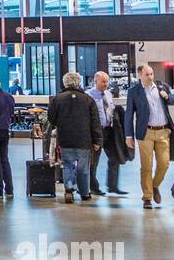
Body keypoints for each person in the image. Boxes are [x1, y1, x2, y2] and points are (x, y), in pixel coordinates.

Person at [125, 64, 174, 210]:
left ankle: (154, 185)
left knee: (164, 163)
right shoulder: (134, 91)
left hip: (163, 132)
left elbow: (173, 100)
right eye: (147, 74)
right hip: (145, 133)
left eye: (152, 74)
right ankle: (147, 197)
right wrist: (128, 135)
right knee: (146, 167)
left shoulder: (162, 87)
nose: (150, 77)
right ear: (140, 75)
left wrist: (167, 97)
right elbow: (129, 114)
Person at [48, 71, 103, 204]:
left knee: (67, 165)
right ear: (78, 83)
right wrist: (97, 140)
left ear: (65, 83)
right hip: (84, 139)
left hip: (65, 138)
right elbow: (95, 122)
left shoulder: (57, 99)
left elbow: (51, 118)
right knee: (83, 168)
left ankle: (69, 190)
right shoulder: (88, 99)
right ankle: (84, 193)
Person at [86, 71, 126, 196]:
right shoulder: (88, 96)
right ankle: (93, 187)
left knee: (115, 158)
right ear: (95, 81)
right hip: (97, 132)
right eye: (103, 81)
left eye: (107, 81)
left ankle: (113, 186)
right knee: (94, 161)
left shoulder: (108, 94)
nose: (106, 84)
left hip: (110, 130)